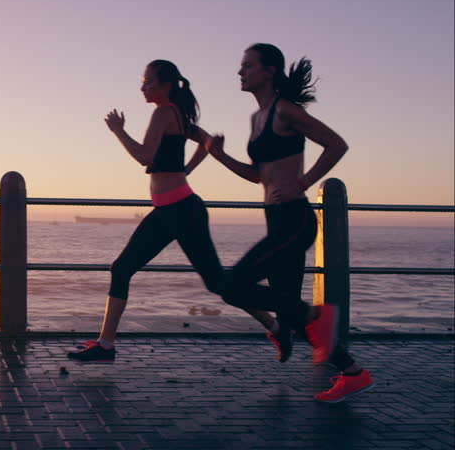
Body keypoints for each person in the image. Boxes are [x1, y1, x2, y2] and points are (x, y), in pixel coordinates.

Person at [67, 60, 276, 363]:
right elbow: (206, 142)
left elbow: (143, 156)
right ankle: (106, 345)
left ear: (165, 86)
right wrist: (185, 169)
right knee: (125, 268)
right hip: (171, 209)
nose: (143, 88)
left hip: (180, 210)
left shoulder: (164, 112)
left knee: (215, 281)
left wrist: (118, 131)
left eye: (148, 82)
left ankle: (283, 318)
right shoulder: (178, 114)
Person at [203, 43, 374, 402]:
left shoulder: (286, 110)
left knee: (231, 285)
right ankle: (352, 373)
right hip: (276, 221)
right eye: (241, 66)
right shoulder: (257, 119)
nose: (240, 72)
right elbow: (257, 176)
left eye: (247, 66)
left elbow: (336, 144)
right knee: (285, 303)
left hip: (295, 220)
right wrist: (219, 157)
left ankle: (311, 316)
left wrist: (303, 182)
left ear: (270, 71)